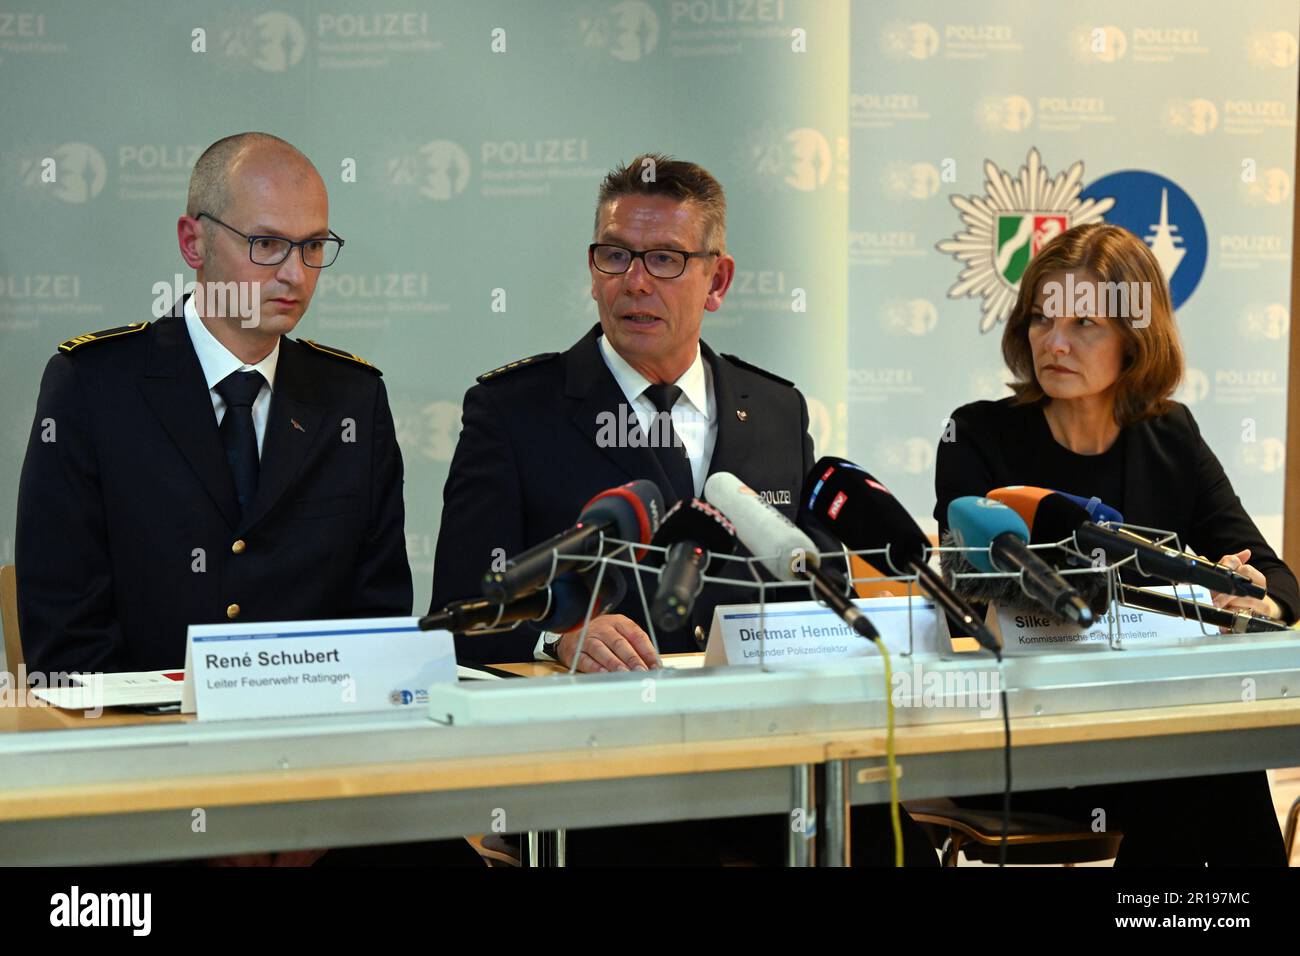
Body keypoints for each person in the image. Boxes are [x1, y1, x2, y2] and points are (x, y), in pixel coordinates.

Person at [432, 153, 936, 865]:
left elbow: (811, 589)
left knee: (893, 851)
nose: (634, 281)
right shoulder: (515, 413)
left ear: (718, 279)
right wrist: (557, 639)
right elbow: (460, 610)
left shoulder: (775, 410)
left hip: (770, 761)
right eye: (615, 256)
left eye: (665, 259)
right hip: (603, 776)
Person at [15, 131, 477, 866]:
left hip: (325, 788)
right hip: (146, 790)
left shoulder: (352, 397)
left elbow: (375, 624)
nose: (294, 272)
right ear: (192, 240)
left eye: (313, 246)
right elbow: (67, 648)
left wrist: (317, 802)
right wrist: (203, 812)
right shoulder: (94, 386)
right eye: (266, 244)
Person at [934, 222, 1296, 865]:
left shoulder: (1169, 434)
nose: (1056, 342)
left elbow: (1275, 577)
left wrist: (1246, 601)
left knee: (1209, 762)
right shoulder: (976, 434)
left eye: (1084, 325)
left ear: (1135, 339)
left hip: (1149, 731)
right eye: (1043, 321)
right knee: (1202, 769)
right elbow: (966, 601)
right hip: (1026, 734)